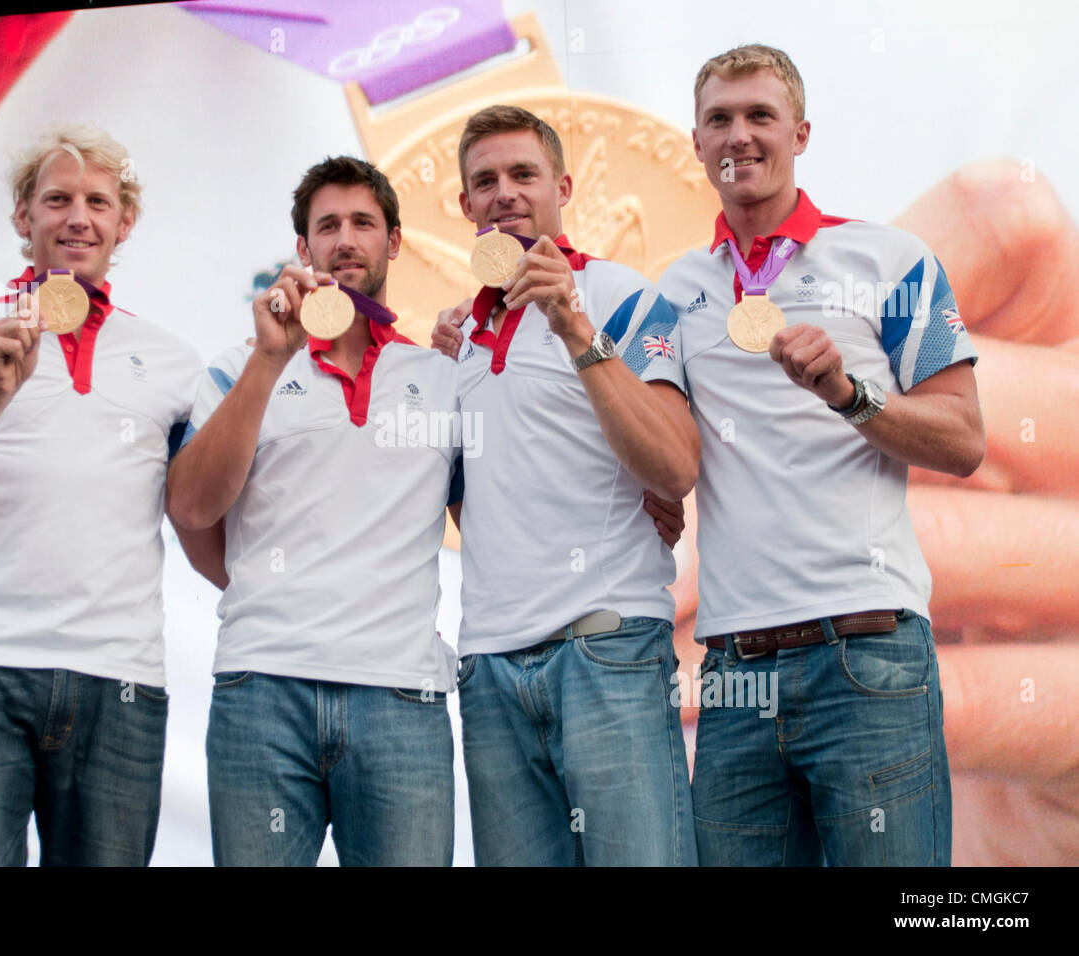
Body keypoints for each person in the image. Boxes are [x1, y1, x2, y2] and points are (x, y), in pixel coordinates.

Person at [660, 44, 986, 866]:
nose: (740, 135)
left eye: (760, 115)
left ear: (801, 133)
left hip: (868, 652)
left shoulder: (893, 259)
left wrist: (850, 394)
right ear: (695, 143)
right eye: (720, 119)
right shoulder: (673, 291)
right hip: (734, 671)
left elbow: (965, 440)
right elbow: (656, 441)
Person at [0, 125, 216, 865]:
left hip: (120, 682)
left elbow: (203, 527)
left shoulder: (174, 361)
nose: (77, 217)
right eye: (57, 198)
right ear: (22, 217)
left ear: (124, 223)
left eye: (99, 201)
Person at [167, 156, 458, 866]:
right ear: (303, 249)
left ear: (395, 241)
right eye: (327, 226)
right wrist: (269, 362)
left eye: (364, 223)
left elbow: (502, 513)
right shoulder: (238, 366)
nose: (345, 240)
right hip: (263, 692)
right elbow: (193, 507)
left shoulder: (443, 376)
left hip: (402, 698)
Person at [432, 105, 700, 865]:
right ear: (465, 206)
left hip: (606, 651)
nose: (504, 193)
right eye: (484, 181)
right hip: (489, 666)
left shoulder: (622, 295)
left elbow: (675, 466)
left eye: (523, 174)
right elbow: (467, 496)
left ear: (563, 187)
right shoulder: (459, 336)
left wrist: (575, 327)